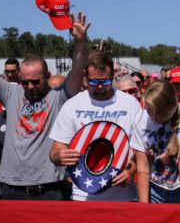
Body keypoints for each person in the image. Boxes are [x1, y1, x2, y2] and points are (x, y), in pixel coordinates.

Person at [0, 10, 90, 200]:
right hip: (11, 187)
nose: (29, 87)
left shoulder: (58, 96)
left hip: (48, 188)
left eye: (35, 82)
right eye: (25, 81)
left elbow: (78, 72)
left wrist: (80, 42)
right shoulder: (12, 93)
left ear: (47, 77)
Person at [49, 51, 141, 201]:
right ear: (85, 77)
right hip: (82, 197)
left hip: (123, 197)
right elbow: (55, 150)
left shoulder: (130, 104)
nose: (99, 86)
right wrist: (59, 155)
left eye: (105, 82)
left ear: (113, 77)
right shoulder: (72, 105)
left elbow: (141, 151)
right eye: (93, 81)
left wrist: (131, 171)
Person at [131, 80, 180, 203]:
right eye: (148, 110)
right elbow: (143, 168)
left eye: (153, 111)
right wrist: (144, 206)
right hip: (155, 189)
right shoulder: (140, 119)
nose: (149, 115)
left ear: (167, 110)